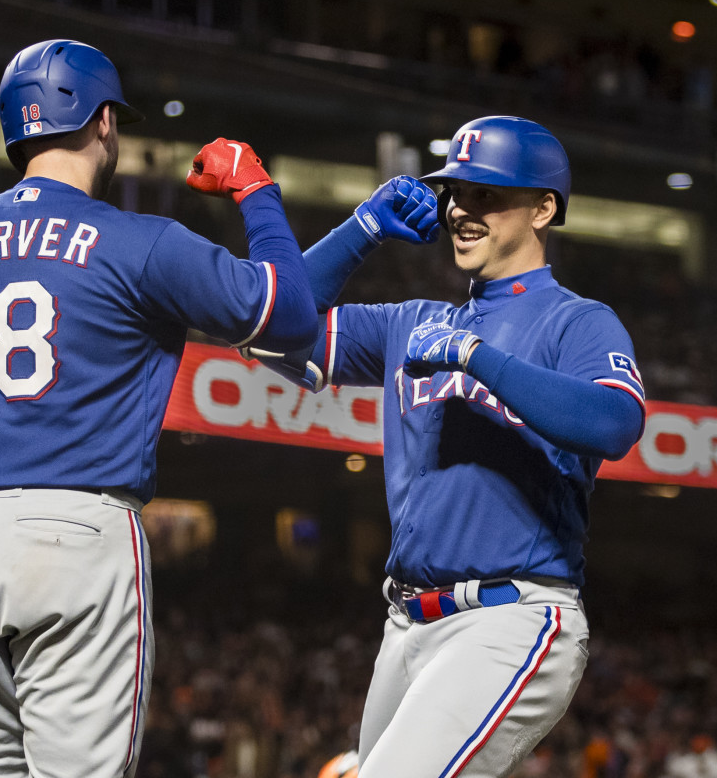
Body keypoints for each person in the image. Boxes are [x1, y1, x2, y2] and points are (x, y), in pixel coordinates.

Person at [0, 39, 321, 778]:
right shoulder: (141, 242)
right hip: (76, 534)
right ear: (104, 121)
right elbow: (291, 315)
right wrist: (255, 190)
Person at [252, 116, 646, 777]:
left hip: (510, 617)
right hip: (405, 624)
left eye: (487, 195)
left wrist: (477, 358)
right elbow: (269, 329)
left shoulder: (576, 321)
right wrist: (363, 231)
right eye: (455, 193)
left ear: (544, 208)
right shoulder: (412, 322)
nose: (461, 209)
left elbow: (615, 424)